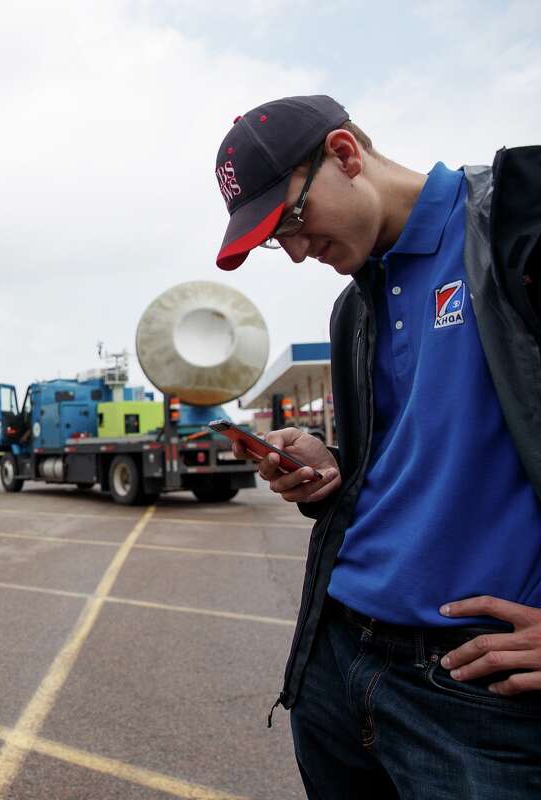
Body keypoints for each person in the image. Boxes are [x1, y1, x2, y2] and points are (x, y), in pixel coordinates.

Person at [213, 95, 541, 797]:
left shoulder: (515, 216)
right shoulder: (354, 306)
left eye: (293, 219)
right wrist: (334, 471)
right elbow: (410, 458)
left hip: (473, 691)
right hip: (338, 663)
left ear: (346, 154)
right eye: (278, 240)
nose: (297, 252)